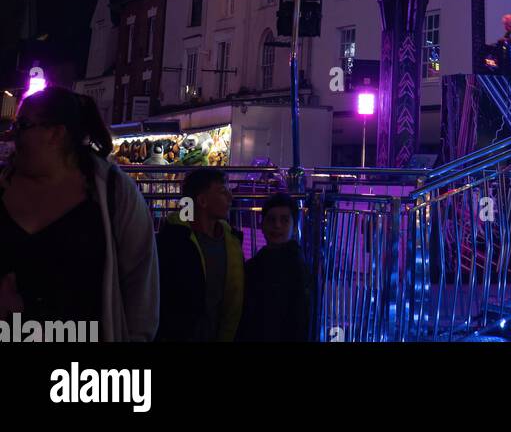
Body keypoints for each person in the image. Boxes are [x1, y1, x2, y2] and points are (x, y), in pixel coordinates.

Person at [0, 86, 158, 340]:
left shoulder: (113, 192)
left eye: (23, 125)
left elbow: (140, 280)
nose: (11, 135)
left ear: (56, 134)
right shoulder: (3, 186)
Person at [156, 168, 244, 342]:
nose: (230, 197)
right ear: (202, 201)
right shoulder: (174, 241)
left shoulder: (231, 239)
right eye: (222, 191)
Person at [236, 194, 310, 342]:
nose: (277, 225)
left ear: (295, 228)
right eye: (271, 219)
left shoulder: (296, 268)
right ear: (262, 225)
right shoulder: (258, 263)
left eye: (284, 220)